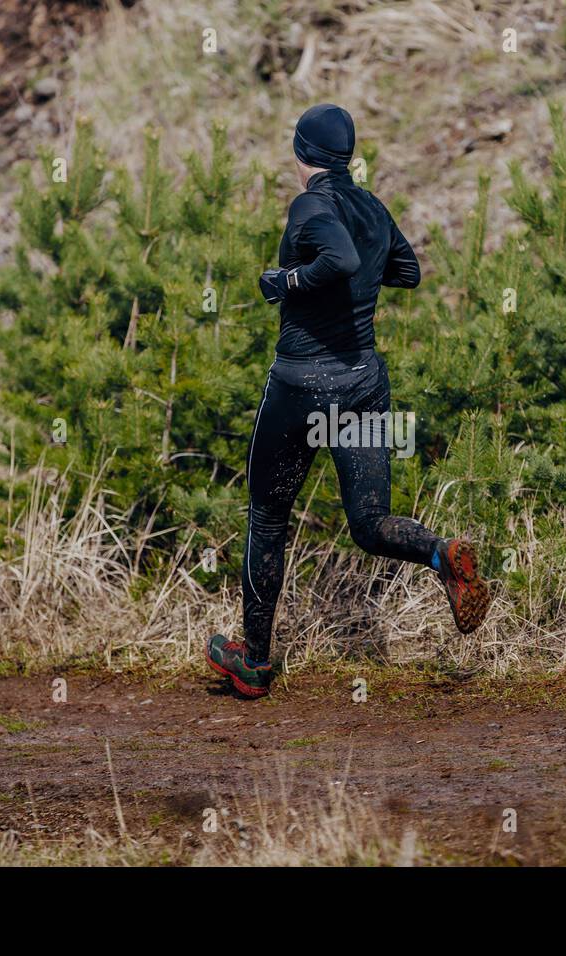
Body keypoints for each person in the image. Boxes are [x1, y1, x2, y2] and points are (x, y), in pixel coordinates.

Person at [206, 103, 490, 698]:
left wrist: (286, 281)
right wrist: (355, 285)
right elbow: (407, 272)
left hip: (302, 385)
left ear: (300, 151)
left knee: (267, 517)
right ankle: (442, 554)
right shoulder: (371, 205)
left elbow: (342, 259)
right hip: (362, 384)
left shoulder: (311, 204)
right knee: (368, 523)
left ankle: (253, 660)